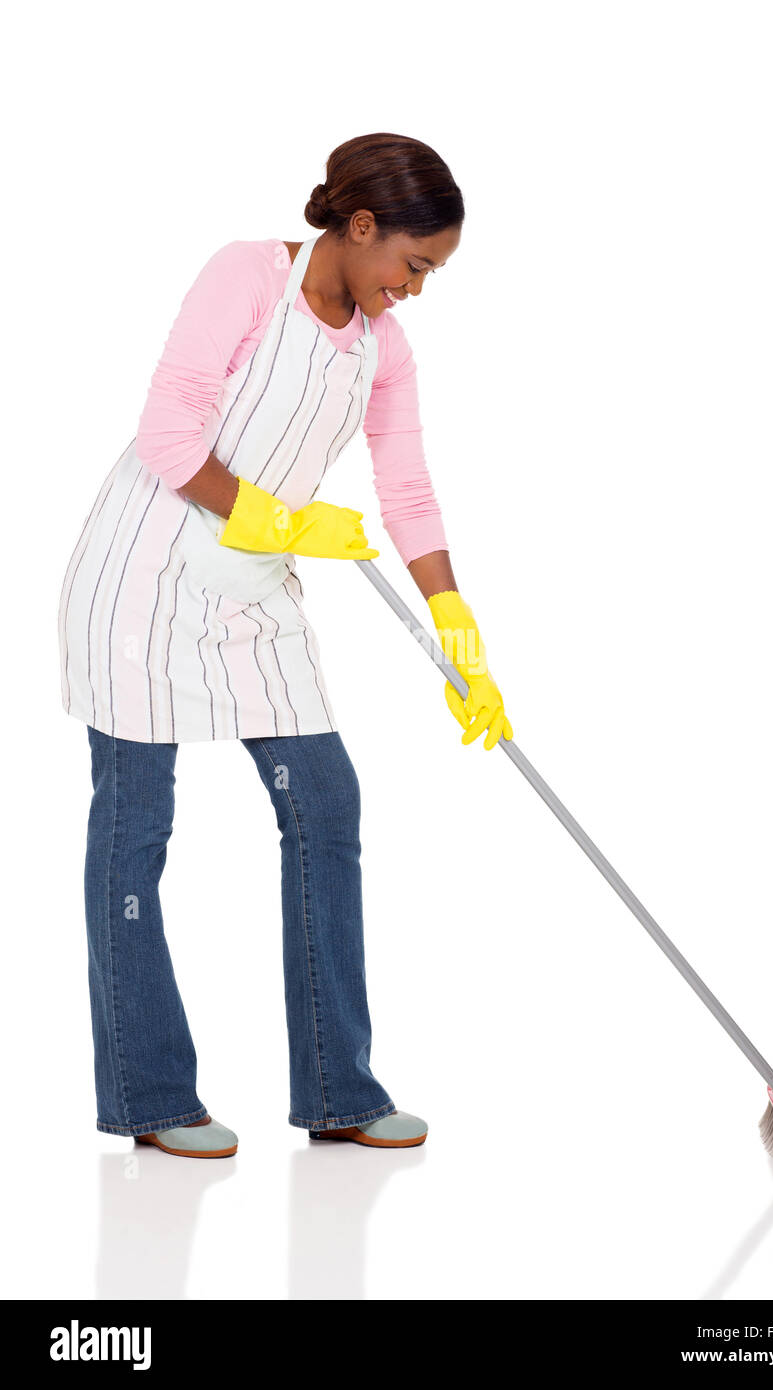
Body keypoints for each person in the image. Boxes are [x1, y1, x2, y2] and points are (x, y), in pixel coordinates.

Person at [57, 131, 513, 1159]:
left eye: (430, 272)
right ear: (358, 228)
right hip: (143, 575)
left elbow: (405, 489)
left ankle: (338, 1087)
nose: (415, 287)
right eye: (413, 264)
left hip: (253, 598)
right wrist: (282, 520)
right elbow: (169, 434)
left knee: (326, 803)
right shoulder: (244, 280)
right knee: (136, 827)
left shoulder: (383, 350)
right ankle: (152, 1095)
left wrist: (455, 621)